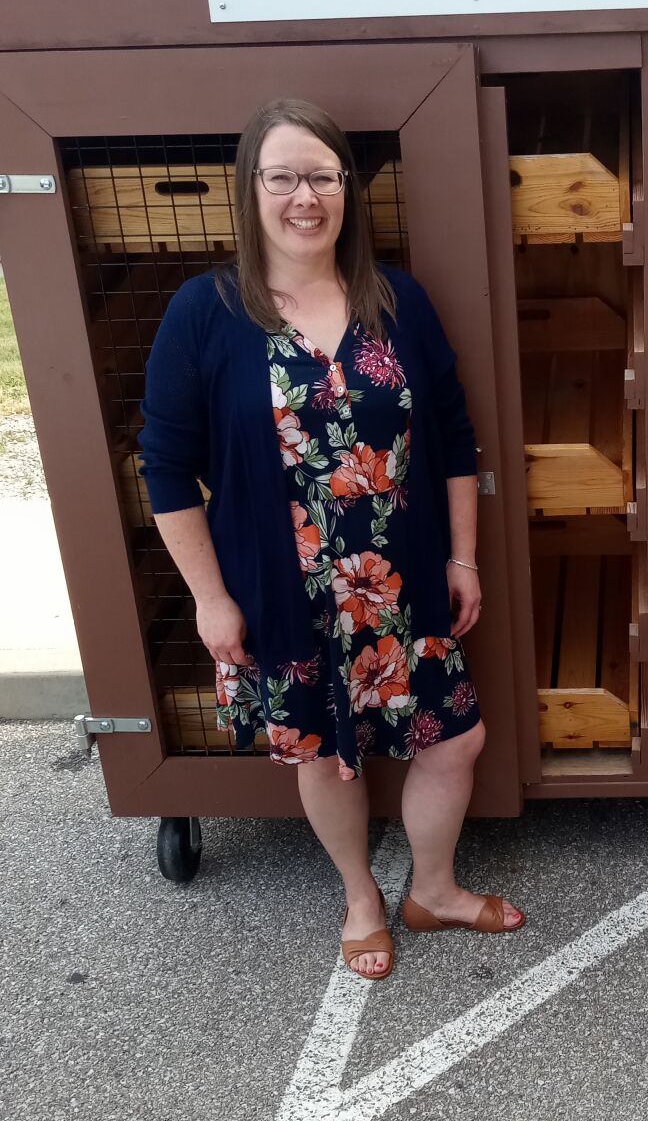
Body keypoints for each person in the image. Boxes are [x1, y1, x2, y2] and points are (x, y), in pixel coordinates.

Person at [139, 97, 524, 981]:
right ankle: (360, 898)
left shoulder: (397, 301)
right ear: (251, 189)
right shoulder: (206, 311)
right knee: (328, 755)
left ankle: (433, 890)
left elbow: (456, 441)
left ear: (347, 189)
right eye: (282, 176)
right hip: (287, 592)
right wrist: (210, 598)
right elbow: (165, 467)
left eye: (322, 176)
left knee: (453, 738)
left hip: (405, 578)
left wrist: (462, 557)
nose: (303, 197)